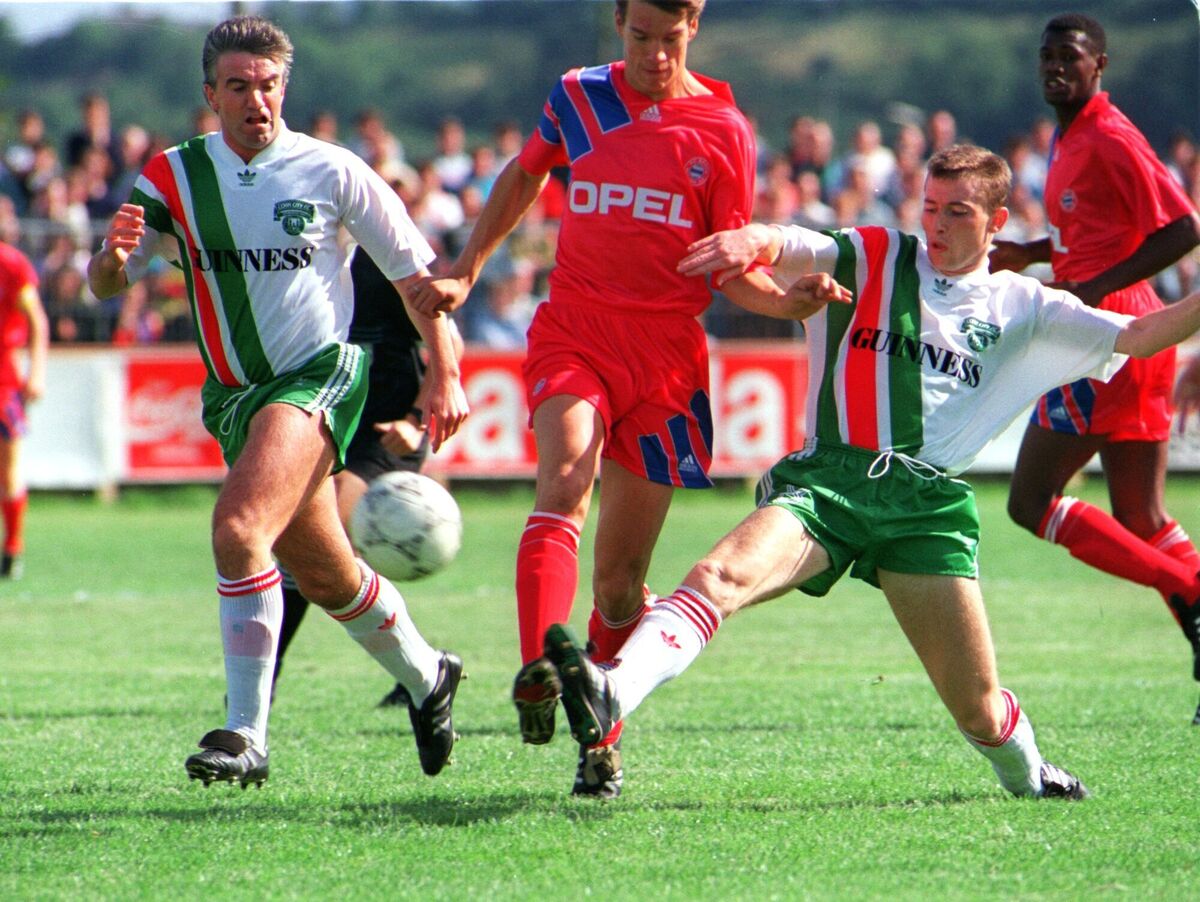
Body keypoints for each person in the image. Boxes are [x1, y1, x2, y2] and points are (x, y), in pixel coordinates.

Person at [541, 143, 1200, 802]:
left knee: (979, 709)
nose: (937, 226)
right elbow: (790, 241)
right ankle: (611, 690)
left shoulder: (1023, 305)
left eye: (959, 213)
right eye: (931, 207)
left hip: (926, 507)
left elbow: (1141, 335)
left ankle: (1031, 776)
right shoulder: (877, 251)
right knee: (719, 576)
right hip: (831, 482)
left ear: (999, 221)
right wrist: (755, 235)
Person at [410, 0, 838, 797]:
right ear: (619, 24)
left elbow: (730, 264)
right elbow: (526, 172)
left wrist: (788, 303)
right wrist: (468, 266)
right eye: (638, 37)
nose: (652, 53)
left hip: (669, 360)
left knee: (618, 584)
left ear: (695, 26)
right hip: (577, 331)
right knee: (565, 482)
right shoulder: (578, 96)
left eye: (668, 39)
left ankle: (598, 733)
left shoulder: (725, 130)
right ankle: (542, 659)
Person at [85, 15, 469, 788]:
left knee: (237, 528)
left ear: (283, 88)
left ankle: (244, 734)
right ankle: (431, 678)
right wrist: (111, 257)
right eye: (238, 87)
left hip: (320, 377)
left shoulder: (334, 171)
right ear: (211, 94)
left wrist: (447, 374)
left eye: (267, 86)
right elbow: (106, 285)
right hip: (236, 398)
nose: (255, 101)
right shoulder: (173, 175)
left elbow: (419, 282)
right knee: (327, 577)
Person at [989, 13, 1200, 715]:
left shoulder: (1108, 134)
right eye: (1046, 56)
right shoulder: (1073, 135)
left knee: (1028, 502)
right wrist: (1033, 252)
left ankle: (1196, 595)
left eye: (1070, 57)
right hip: (1128, 335)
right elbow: (1099, 230)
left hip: (1108, 340)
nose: (1055, 67)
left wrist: (1092, 288)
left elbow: (1182, 228)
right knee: (1143, 516)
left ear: (1099, 65)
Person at [271, 237, 466, 708]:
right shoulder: (294, 270)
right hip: (327, 428)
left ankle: (266, 678)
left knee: (317, 538)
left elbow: (451, 344)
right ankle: (424, 667)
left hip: (386, 431)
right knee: (310, 551)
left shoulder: (382, 271)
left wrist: (417, 422)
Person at [0, 239, 49, 579]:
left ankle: (13, 547)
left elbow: (37, 320)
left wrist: (38, 372)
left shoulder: (11, 263)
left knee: (9, 465)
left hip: (4, 379)